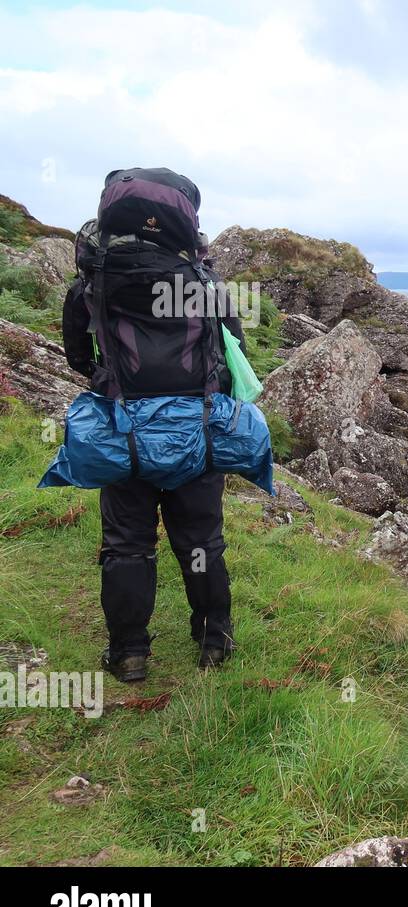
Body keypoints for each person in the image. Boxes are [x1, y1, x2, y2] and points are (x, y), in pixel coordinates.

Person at [61, 168, 249, 683]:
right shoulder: (205, 283)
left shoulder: (94, 280)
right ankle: (214, 640)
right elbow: (234, 352)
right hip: (195, 431)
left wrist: (114, 382)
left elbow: (78, 354)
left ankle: (129, 653)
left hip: (124, 432)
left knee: (127, 544)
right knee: (201, 540)